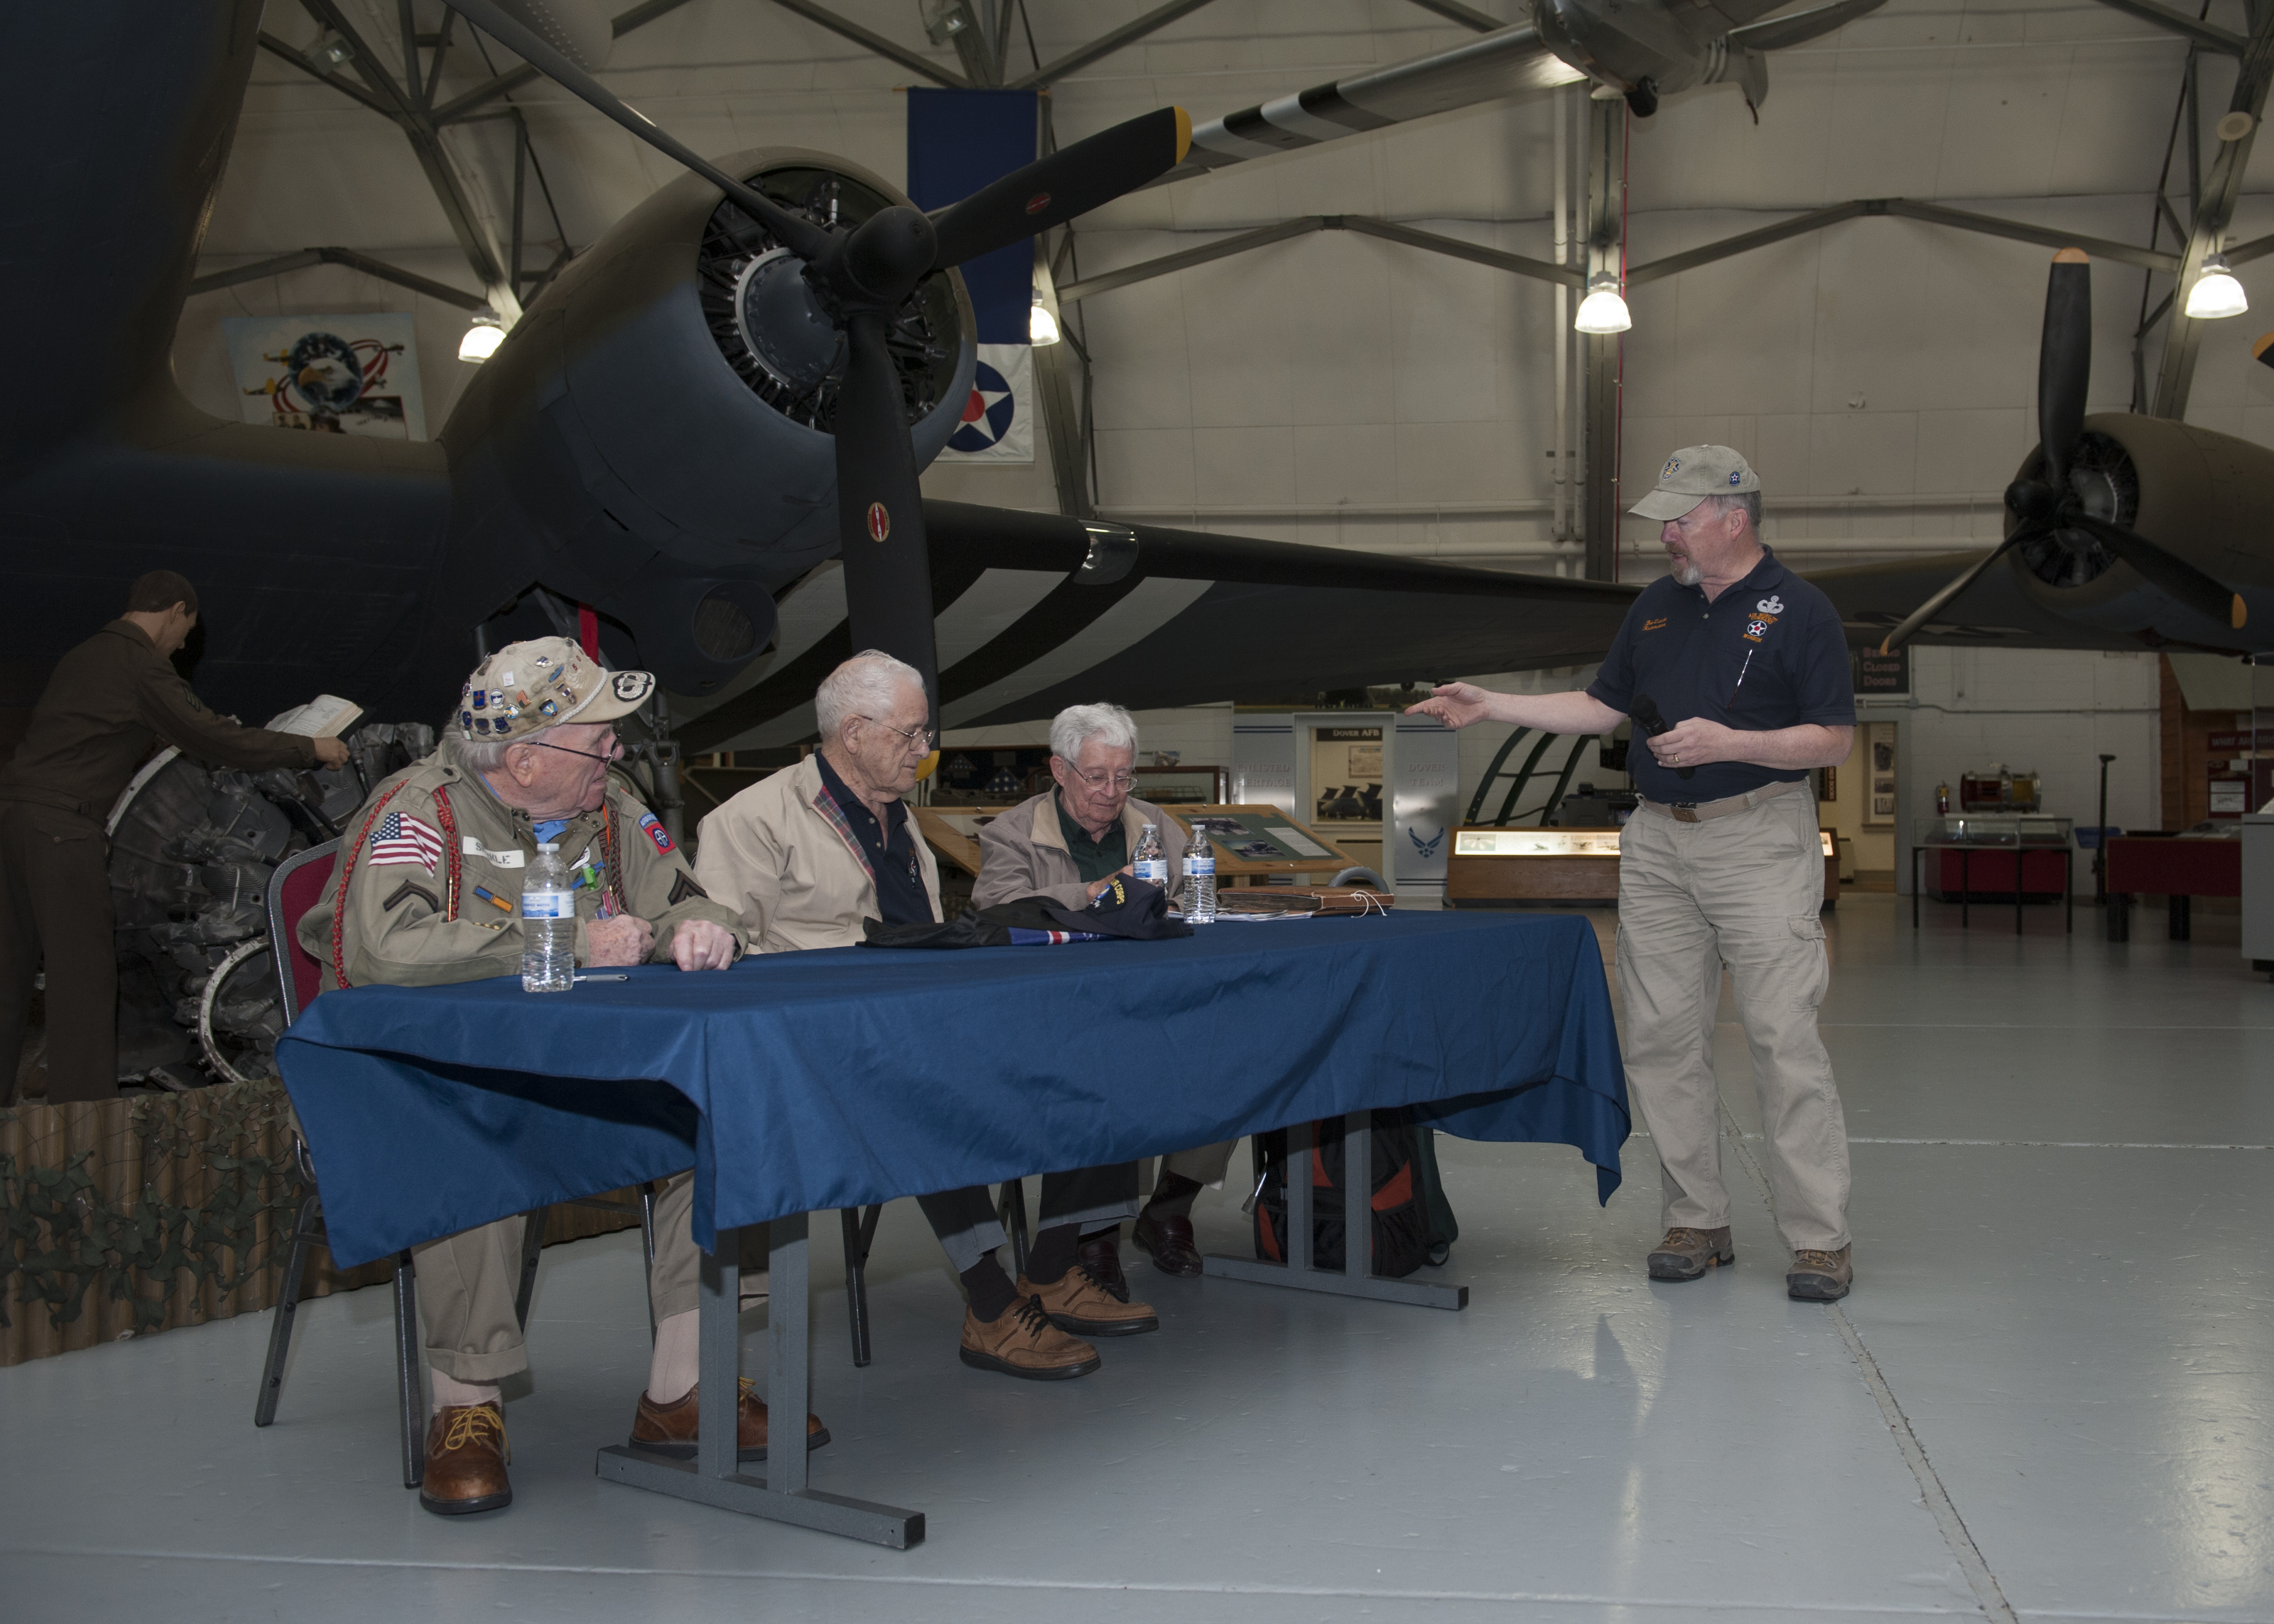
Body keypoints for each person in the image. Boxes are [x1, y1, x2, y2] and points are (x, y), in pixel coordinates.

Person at [298, 637, 820, 1517]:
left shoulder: (610, 805)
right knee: (470, 1144)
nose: (615, 754)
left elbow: (683, 893)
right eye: (598, 741)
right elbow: (385, 948)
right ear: (524, 758)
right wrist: (574, 943)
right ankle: (465, 1410)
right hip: (430, 1084)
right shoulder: (414, 813)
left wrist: (701, 927)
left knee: (722, 1107)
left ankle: (683, 1388)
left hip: (581, 1078)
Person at [1408, 446, 1858, 1303]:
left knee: (1779, 1039)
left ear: (1734, 517)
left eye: (1680, 519)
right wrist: (1490, 703)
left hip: (1757, 838)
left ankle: (1817, 1238)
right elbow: (1600, 704)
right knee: (1658, 1038)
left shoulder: (1800, 611)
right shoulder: (1656, 608)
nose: (1666, 535)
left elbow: (1830, 737)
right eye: (1664, 520)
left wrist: (1730, 743)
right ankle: (1696, 1218)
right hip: (1655, 843)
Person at [695, 651, 1159, 1380]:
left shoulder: (899, 819)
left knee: (1095, 1058)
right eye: (911, 735)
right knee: (929, 1094)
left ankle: (1049, 1265)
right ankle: (989, 1302)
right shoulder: (750, 821)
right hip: (830, 1048)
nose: (923, 750)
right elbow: (723, 960)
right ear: (853, 733)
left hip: (930, 1020)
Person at [0, 571, 351, 1103]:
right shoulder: (141, 666)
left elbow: (94, 733)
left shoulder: (86, 656)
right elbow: (210, 736)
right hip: (61, 832)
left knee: (10, 974)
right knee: (84, 982)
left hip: (15, 820)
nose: (183, 643)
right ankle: (82, 1123)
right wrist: (312, 749)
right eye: (186, 629)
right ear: (175, 611)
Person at [971, 702, 1232, 1288]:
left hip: (1152, 1000)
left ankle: (1168, 1208)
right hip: (1054, 1014)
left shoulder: (1155, 825)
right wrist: (1092, 893)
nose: (1112, 791)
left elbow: (1194, 900)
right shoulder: (1011, 833)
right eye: (1096, 776)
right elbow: (996, 909)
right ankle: (1093, 1236)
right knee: (1114, 1072)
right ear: (1059, 771)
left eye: (1123, 776)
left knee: (1228, 1059)